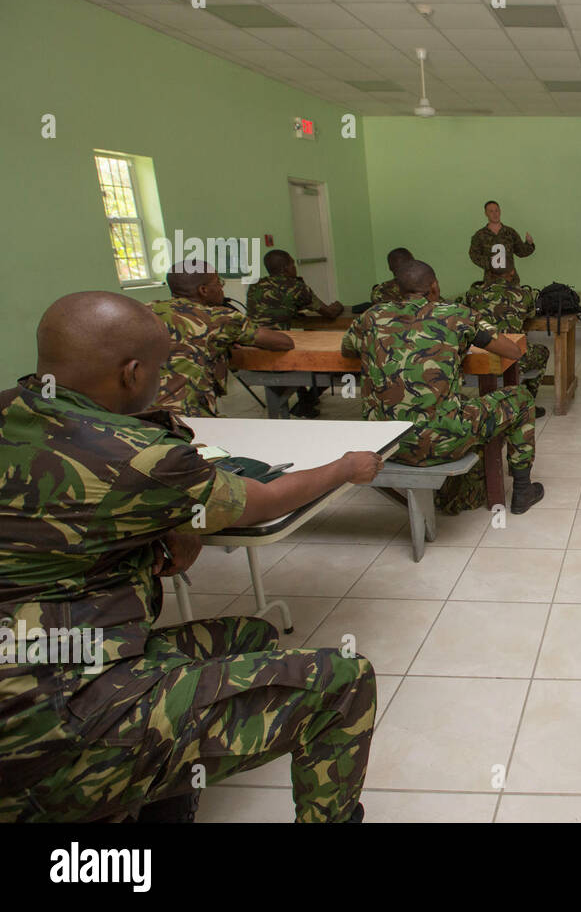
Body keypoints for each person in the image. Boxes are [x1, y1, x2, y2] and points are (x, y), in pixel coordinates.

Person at [0, 291, 383, 823]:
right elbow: (260, 503)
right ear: (132, 373)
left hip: (44, 661)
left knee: (253, 636)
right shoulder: (138, 454)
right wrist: (345, 467)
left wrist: (167, 524)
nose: (163, 380)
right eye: (160, 370)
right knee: (345, 680)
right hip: (52, 726)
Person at [342, 260, 545, 514]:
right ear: (434, 286)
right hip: (442, 442)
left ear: (397, 288)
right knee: (521, 398)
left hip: (383, 444)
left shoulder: (371, 317)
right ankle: (523, 490)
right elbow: (512, 351)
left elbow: (347, 348)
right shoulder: (457, 315)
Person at [151, 261, 293, 417]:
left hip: (134, 412)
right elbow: (284, 342)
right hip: (186, 417)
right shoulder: (219, 318)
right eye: (218, 282)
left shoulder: (144, 311)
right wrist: (231, 337)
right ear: (203, 290)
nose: (221, 287)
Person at [246, 249, 344, 418]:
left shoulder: (255, 286)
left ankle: (305, 402)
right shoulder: (295, 286)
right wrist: (338, 305)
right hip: (277, 348)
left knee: (300, 355)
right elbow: (328, 313)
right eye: (292, 263)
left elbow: (272, 308)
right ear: (285, 267)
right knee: (329, 363)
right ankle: (307, 401)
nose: (295, 267)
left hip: (252, 346)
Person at [462, 267, 550, 417]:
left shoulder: (473, 294)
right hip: (513, 357)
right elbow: (532, 313)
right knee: (542, 351)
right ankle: (526, 403)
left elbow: (466, 314)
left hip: (476, 358)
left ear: (488, 274)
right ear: (512, 273)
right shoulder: (523, 294)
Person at [469, 200, 535, 282]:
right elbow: (474, 254)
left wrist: (529, 243)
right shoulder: (480, 235)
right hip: (490, 281)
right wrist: (490, 264)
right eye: (491, 211)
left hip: (511, 280)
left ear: (500, 212)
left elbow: (521, 252)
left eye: (496, 210)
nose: (495, 214)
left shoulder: (510, 232)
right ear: (486, 213)